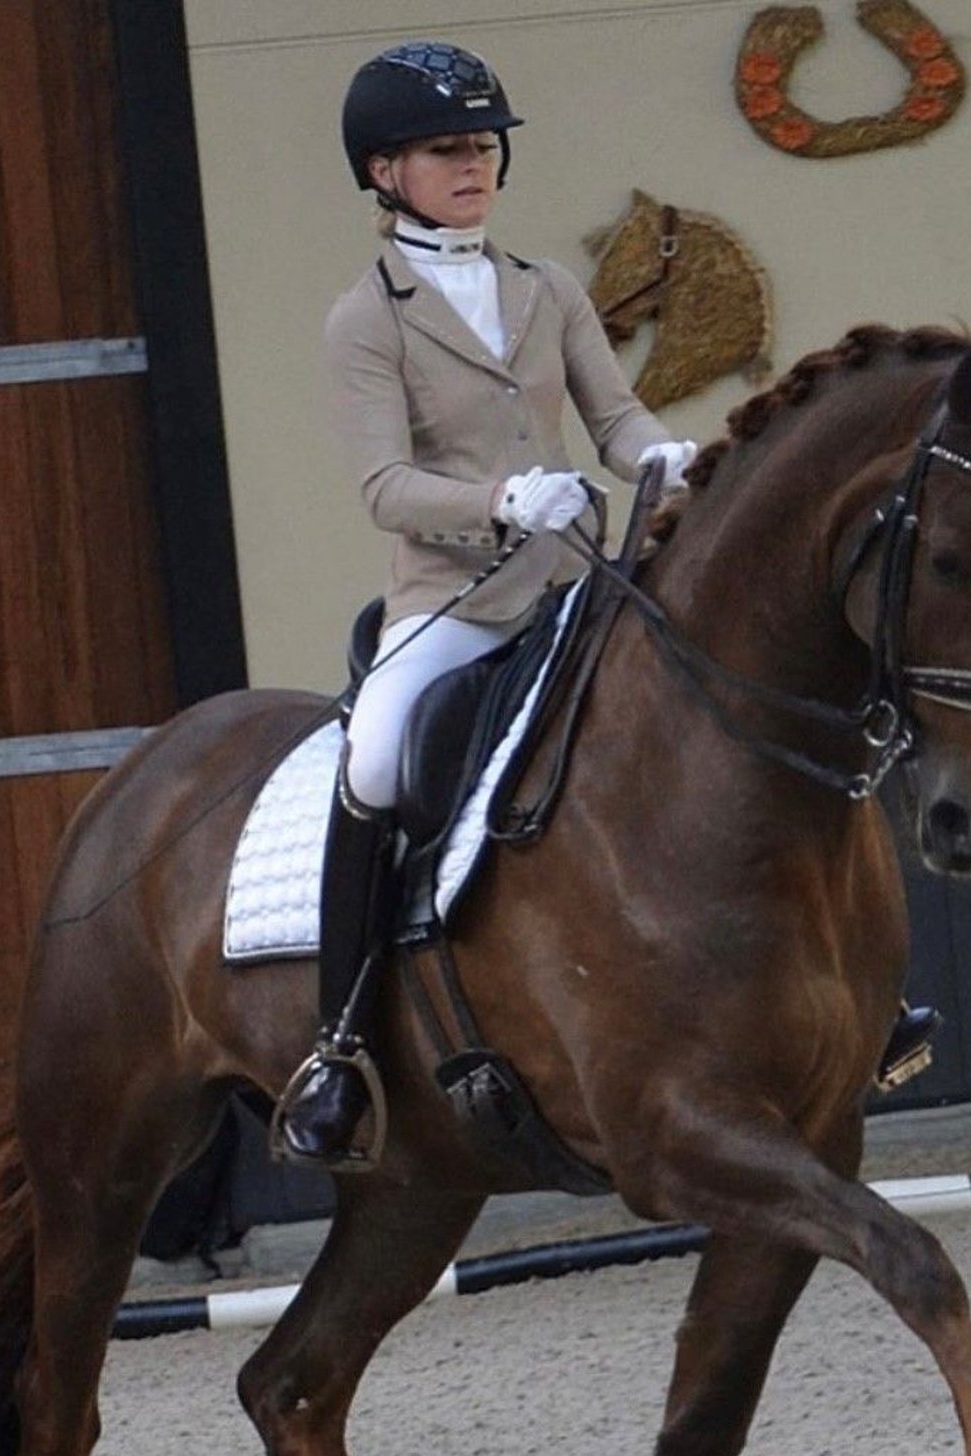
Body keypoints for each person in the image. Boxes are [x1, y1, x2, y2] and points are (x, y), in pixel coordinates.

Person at [275, 41, 697, 1166]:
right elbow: (383, 487)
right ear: (384, 173)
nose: (474, 166)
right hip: (455, 599)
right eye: (445, 150)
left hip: (574, 584)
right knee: (371, 762)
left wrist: (673, 455)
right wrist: (502, 498)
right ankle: (341, 1042)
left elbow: (616, 421)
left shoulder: (546, 287)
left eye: (483, 147)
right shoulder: (364, 319)